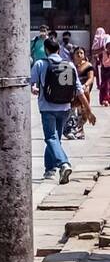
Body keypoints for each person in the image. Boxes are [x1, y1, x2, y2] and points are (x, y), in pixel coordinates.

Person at [31, 37, 77, 183]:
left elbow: (32, 83)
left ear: (45, 50)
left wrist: (34, 88)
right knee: (55, 139)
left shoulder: (39, 64)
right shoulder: (69, 64)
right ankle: (49, 170)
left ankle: (63, 164)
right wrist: (88, 108)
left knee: (51, 138)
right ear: (58, 49)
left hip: (47, 107)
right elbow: (79, 88)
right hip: (65, 107)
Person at [67, 46, 98, 140]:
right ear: (74, 55)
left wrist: (85, 85)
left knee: (82, 111)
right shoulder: (71, 66)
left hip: (84, 91)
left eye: (81, 53)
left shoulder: (88, 66)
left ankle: (80, 132)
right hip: (73, 92)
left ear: (84, 55)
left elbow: (91, 78)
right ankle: (71, 130)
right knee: (72, 112)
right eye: (77, 53)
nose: (79, 55)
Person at [94, 26, 110, 106]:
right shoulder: (99, 44)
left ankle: (106, 99)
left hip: (104, 67)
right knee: (105, 84)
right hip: (103, 67)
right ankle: (104, 99)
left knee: (106, 84)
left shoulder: (106, 39)